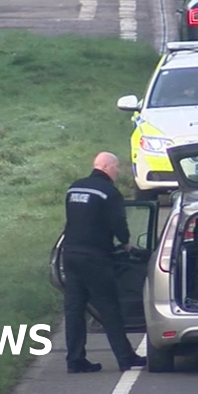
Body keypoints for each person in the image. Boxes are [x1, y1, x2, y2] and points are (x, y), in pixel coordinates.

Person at [61, 152, 147, 374]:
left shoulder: (75, 188)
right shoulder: (108, 192)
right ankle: (125, 358)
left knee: (74, 310)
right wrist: (127, 244)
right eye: (116, 167)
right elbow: (117, 222)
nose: (117, 171)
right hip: (95, 258)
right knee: (109, 308)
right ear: (107, 167)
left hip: (70, 255)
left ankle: (75, 360)